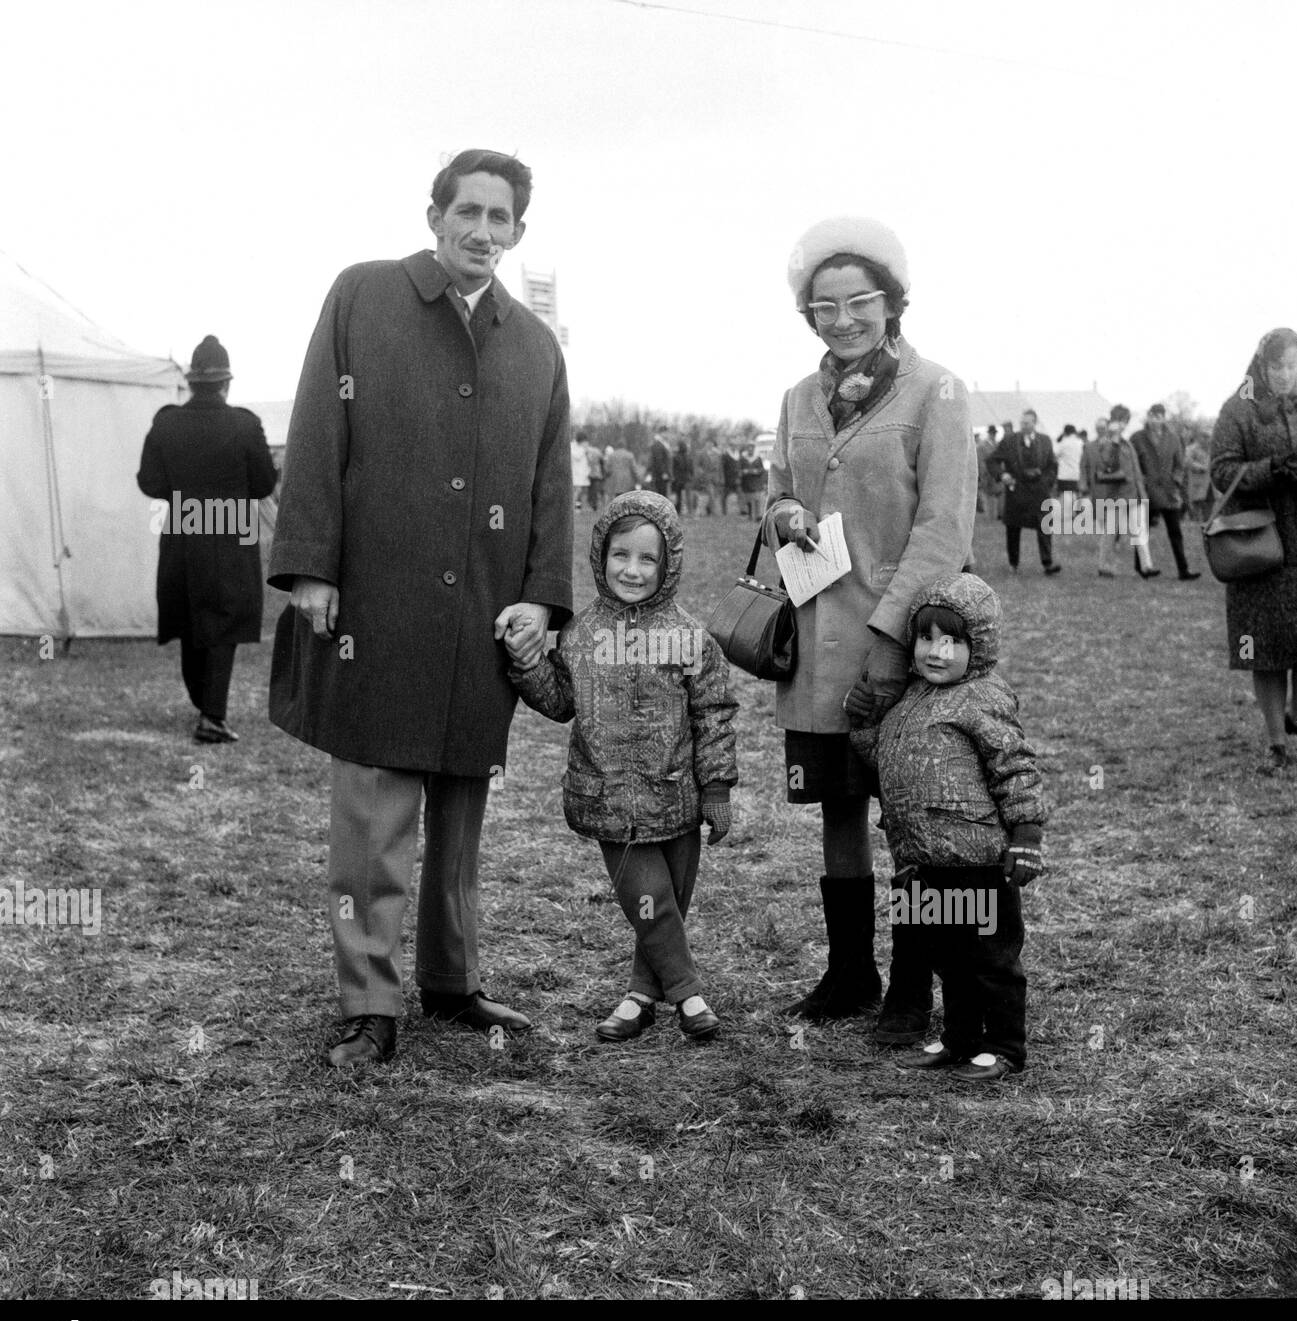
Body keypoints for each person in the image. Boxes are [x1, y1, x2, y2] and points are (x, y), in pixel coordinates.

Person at [267, 148, 573, 1068]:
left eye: (501, 218)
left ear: (519, 232)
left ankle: (452, 979)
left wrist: (542, 598)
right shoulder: (362, 297)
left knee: (461, 808)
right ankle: (369, 1000)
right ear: (434, 213)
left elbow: (550, 485)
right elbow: (318, 429)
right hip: (376, 603)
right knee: (373, 818)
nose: (483, 231)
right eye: (467, 211)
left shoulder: (534, 346)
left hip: (483, 611)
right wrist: (311, 566)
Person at [765, 215, 978, 1042]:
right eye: (825, 306)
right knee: (838, 809)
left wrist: (894, 637)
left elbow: (943, 527)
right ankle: (850, 972)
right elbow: (782, 490)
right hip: (818, 644)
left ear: (893, 304)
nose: (843, 318)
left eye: (860, 302)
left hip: (901, 647)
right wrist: (783, 511)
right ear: (808, 315)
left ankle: (912, 990)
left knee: (914, 817)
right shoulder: (794, 398)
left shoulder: (938, 391)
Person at [507, 491, 738, 1040]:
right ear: (601, 555)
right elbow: (561, 701)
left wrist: (718, 788)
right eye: (620, 556)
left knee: (666, 907)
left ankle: (639, 995)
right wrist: (528, 665)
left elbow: (714, 713)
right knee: (650, 899)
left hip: (676, 794)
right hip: (607, 796)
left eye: (648, 559)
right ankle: (688, 995)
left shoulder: (689, 637)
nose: (632, 570)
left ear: (670, 564)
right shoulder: (582, 632)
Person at [852, 573, 1046, 1081]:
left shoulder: (984, 697)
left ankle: (1004, 1046)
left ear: (977, 643)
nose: (935, 652)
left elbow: (1015, 766)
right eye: (925, 637)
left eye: (952, 640)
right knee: (950, 958)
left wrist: (1026, 837)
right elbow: (884, 757)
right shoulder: (912, 698)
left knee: (991, 960)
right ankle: (961, 1040)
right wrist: (865, 723)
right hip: (924, 861)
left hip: (978, 862)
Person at [137, 335, 276, 744]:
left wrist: (184, 496)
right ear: (226, 383)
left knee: (189, 615)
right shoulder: (245, 423)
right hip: (230, 530)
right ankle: (211, 715)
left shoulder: (165, 422)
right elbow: (265, 482)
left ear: (192, 382)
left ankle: (204, 704)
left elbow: (149, 482)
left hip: (182, 529)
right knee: (224, 619)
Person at [1209, 327, 1297, 775]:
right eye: (1279, 366)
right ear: (1262, 366)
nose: (1286, 375)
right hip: (1260, 546)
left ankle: (1294, 715)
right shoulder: (1238, 410)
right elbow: (1221, 471)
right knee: (1265, 647)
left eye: (1293, 366)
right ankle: (1276, 741)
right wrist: (1270, 470)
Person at [1131, 404, 1200, 580]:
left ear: (1164, 418)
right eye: (1153, 416)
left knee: (1175, 531)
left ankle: (1183, 570)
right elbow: (1132, 463)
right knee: (1142, 530)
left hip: (1169, 492)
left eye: (1159, 416)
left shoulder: (1173, 438)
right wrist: (1141, 481)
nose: (1156, 420)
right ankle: (1142, 566)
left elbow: (1180, 464)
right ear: (1148, 417)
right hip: (1146, 491)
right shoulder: (1137, 438)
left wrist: (1176, 481)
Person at [992, 408, 1060, 575]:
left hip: (1039, 492)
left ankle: (1047, 564)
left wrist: (1047, 482)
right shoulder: (1009, 441)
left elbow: (1052, 465)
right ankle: (1013, 564)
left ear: (1034, 423)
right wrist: (1003, 475)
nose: (1023, 426)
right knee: (1013, 528)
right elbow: (992, 461)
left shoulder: (1045, 441)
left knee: (1045, 527)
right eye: (1022, 423)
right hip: (1017, 491)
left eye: (1027, 423)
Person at [1091, 406, 1156, 577]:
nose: (1123, 425)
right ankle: (1104, 565)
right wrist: (1114, 439)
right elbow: (1107, 462)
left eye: (1124, 421)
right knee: (1110, 533)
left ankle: (1147, 566)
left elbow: (1134, 470)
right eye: (1121, 420)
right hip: (1117, 494)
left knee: (1139, 530)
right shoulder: (1108, 442)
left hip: (1134, 493)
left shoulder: (1126, 443)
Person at [1054, 423, 1084, 522]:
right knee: (1074, 493)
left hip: (1064, 473)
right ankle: (1074, 512)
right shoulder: (1080, 442)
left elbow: (1055, 454)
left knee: (1066, 494)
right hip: (1076, 473)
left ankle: (1068, 514)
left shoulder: (1064, 443)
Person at [976, 424, 1001, 520]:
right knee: (987, 495)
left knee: (996, 495)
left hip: (996, 474)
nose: (993, 435)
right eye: (992, 433)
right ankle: (989, 515)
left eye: (994, 433)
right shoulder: (982, 446)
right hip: (986, 474)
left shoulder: (998, 445)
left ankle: (995, 515)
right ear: (989, 434)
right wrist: (984, 473)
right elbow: (980, 460)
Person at [1185, 435, 1212, 523]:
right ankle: (1195, 521)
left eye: (1208, 436)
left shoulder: (1212, 447)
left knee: (1210, 501)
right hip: (1198, 479)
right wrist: (1200, 467)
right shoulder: (1191, 449)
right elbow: (1187, 461)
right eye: (1205, 436)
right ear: (1199, 436)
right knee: (1197, 501)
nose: (1207, 439)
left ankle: (1207, 521)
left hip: (1211, 480)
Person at [739, 443, 765, 518]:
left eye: (752, 448)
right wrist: (744, 471)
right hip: (746, 482)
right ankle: (750, 514)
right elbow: (739, 469)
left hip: (756, 481)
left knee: (757, 499)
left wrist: (756, 471)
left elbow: (762, 469)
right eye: (749, 448)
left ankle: (758, 515)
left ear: (754, 449)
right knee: (749, 499)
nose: (750, 450)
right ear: (747, 449)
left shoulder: (758, 458)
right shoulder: (743, 459)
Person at [672, 437, 694, 516]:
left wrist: (674, 477)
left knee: (679, 496)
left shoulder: (675, 457)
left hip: (678, 479)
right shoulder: (689, 457)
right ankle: (690, 512)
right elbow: (691, 469)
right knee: (688, 496)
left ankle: (678, 511)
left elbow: (674, 469)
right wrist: (691, 476)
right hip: (687, 478)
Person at [583, 433, 605, 512]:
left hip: (588, 473)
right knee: (595, 490)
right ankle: (594, 505)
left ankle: (590, 503)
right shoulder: (597, 451)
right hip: (596, 473)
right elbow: (602, 461)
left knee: (589, 490)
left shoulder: (586, 451)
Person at [648, 425, 672, 495]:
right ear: (662, 433)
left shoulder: (663, 444)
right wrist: (663, 472)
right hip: (660, 475)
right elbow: (659, 460)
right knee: (661, 494)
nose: (668, 435)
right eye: (667, 433)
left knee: (662, 494)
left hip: (661, 475)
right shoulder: (658, 444)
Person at [571, 430, 591, 510]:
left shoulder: (581, 447)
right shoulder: (573, 446)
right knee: (577, 491)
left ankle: (577, 508)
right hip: (576, 473)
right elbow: (577, 456)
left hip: (582, 472)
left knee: (580, 492)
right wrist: (584, 450)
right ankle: (571, 507)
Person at [721, 438, 741, 515]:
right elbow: (722, 467)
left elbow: (739, 466)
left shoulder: (738, 454)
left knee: (740, 495)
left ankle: (742, 510)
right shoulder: (725, 455)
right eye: (732, 445)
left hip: (736, 478)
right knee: (724, 496)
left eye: (735, 445)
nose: (734, 447)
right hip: (728, 478)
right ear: (730, 446)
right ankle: (724, 511)